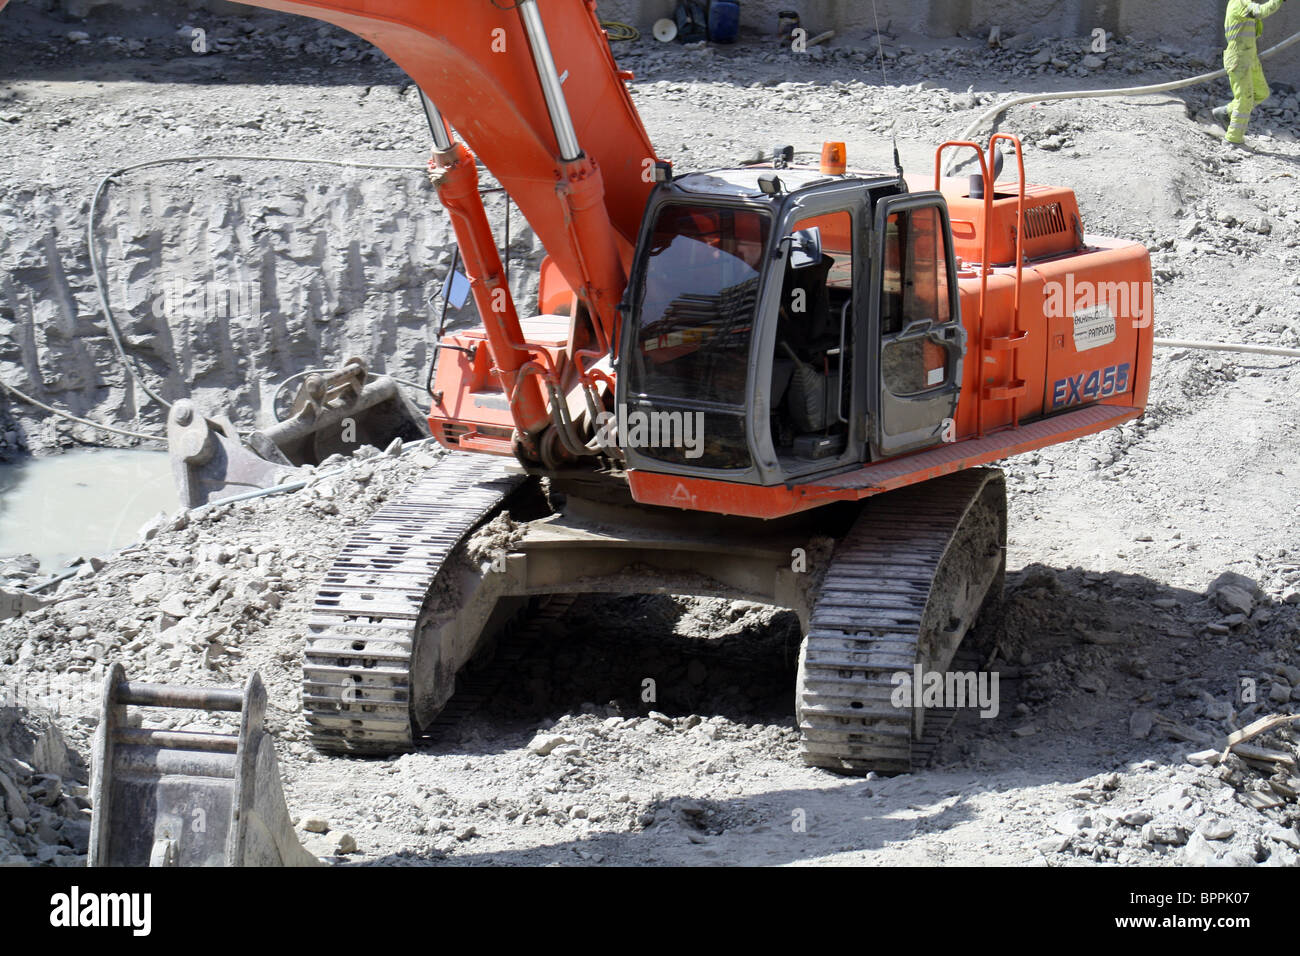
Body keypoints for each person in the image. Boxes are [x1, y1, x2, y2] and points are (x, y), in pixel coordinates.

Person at [1212, 0, 1288, 145]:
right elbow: (1260, 11)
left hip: (1249, 57)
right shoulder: (1240, 2)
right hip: (1238, 58)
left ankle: (1226, 112)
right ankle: (1233, 140)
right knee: (1245, 99)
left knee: (1261, 93)